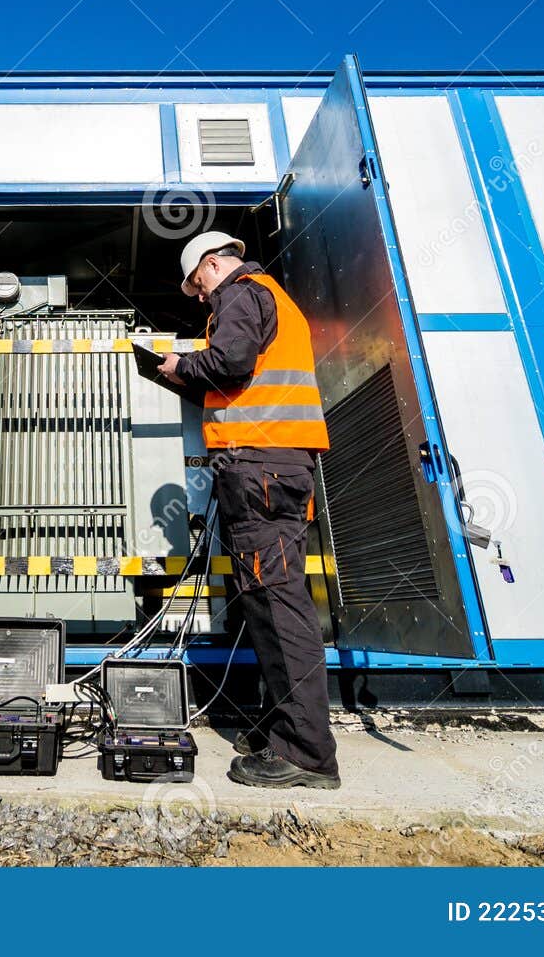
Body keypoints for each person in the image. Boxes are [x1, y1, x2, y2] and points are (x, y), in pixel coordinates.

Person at [158, 232, 340, 789]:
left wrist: (182, 364)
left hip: (262, 465)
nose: (199, 296)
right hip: (273, 466)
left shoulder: (239, 292)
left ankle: (306, 753)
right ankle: (285, 726)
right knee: (268, 601)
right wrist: (189, 376)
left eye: (197, 284)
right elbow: (241, 380)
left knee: (279, 605)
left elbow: (231, 362)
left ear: (214, 264)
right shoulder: (270, 297)